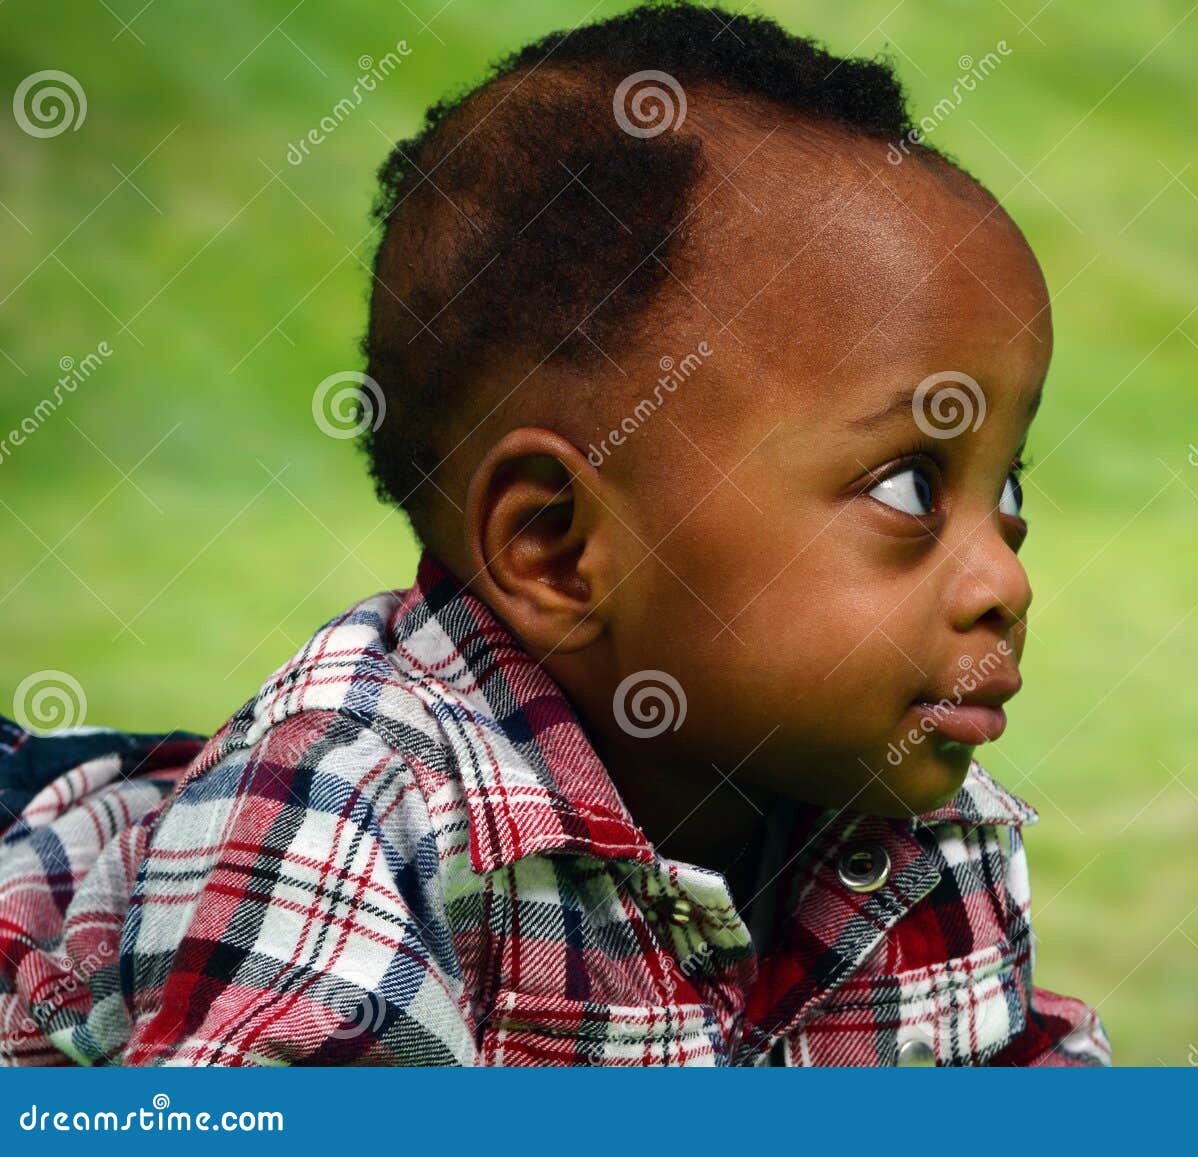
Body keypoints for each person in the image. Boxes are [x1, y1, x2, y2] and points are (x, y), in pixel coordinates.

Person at [0, 0, 1109, 1067]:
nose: (1003, 578)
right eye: (910, 486)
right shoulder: (355, 804)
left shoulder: (919, 833)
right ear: (557, 546)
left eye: (1005, 484)